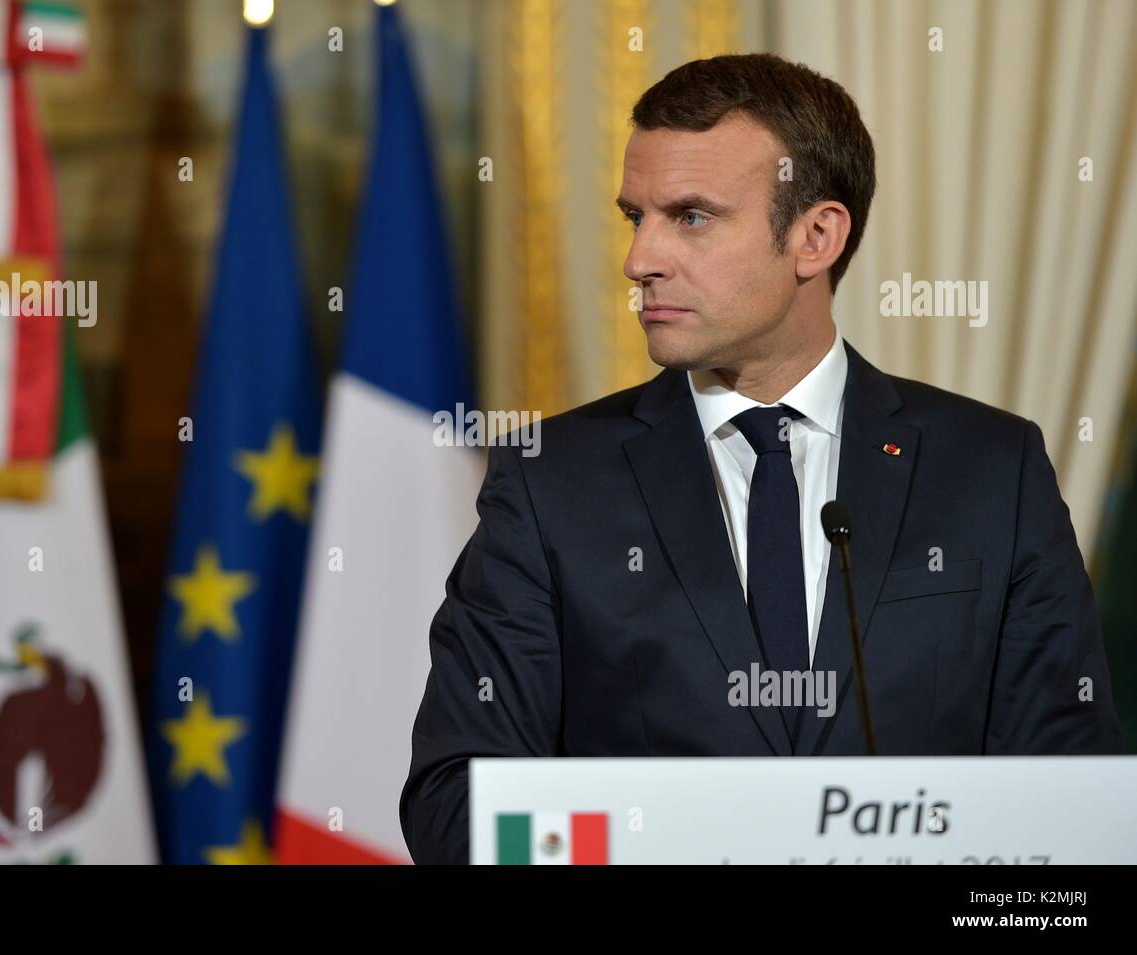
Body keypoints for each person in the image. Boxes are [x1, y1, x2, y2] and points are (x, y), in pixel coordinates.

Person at [399, 53, 1123, 866]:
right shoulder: (549, 481)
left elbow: (1070, 796)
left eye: (691, 217)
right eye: (635, 216)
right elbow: (456, 800)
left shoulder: (994, 469)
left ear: (816, 236)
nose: (641, 259)